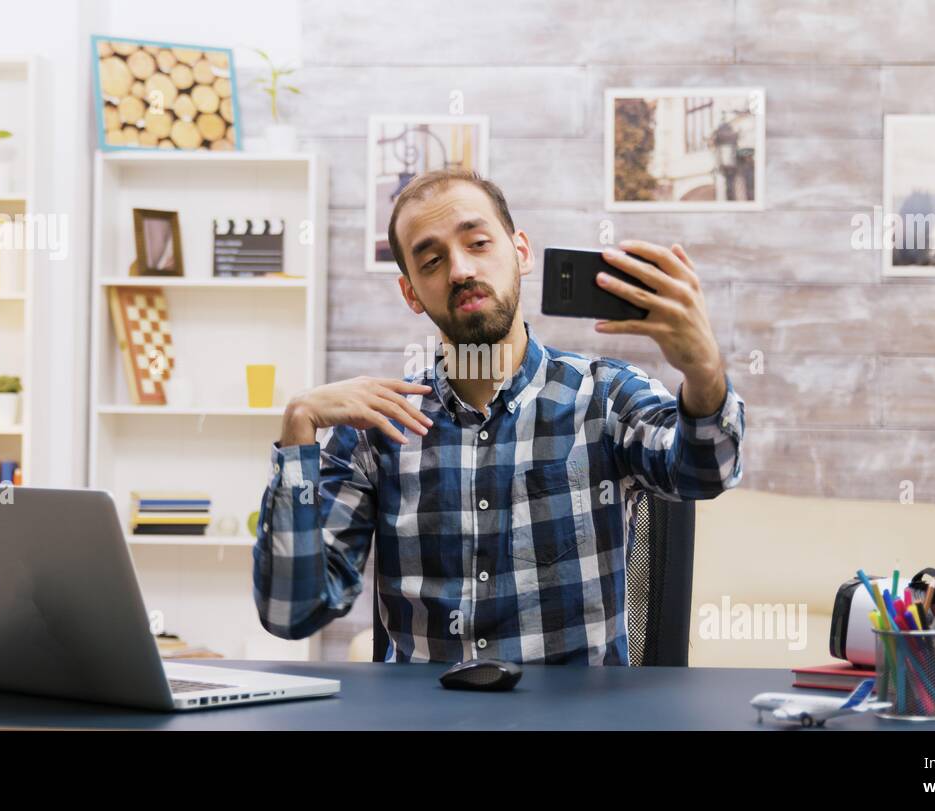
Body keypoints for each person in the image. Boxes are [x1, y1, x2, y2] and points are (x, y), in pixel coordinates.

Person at [253, 168, 745, 664]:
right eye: (432, 260)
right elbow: (291, 612)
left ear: (521, 253)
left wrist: (704, 371)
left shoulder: (605, 396)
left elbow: (707, 471)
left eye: (479, 242)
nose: (461, 270)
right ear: (411, 294)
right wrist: (298, 427)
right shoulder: (377, 429)